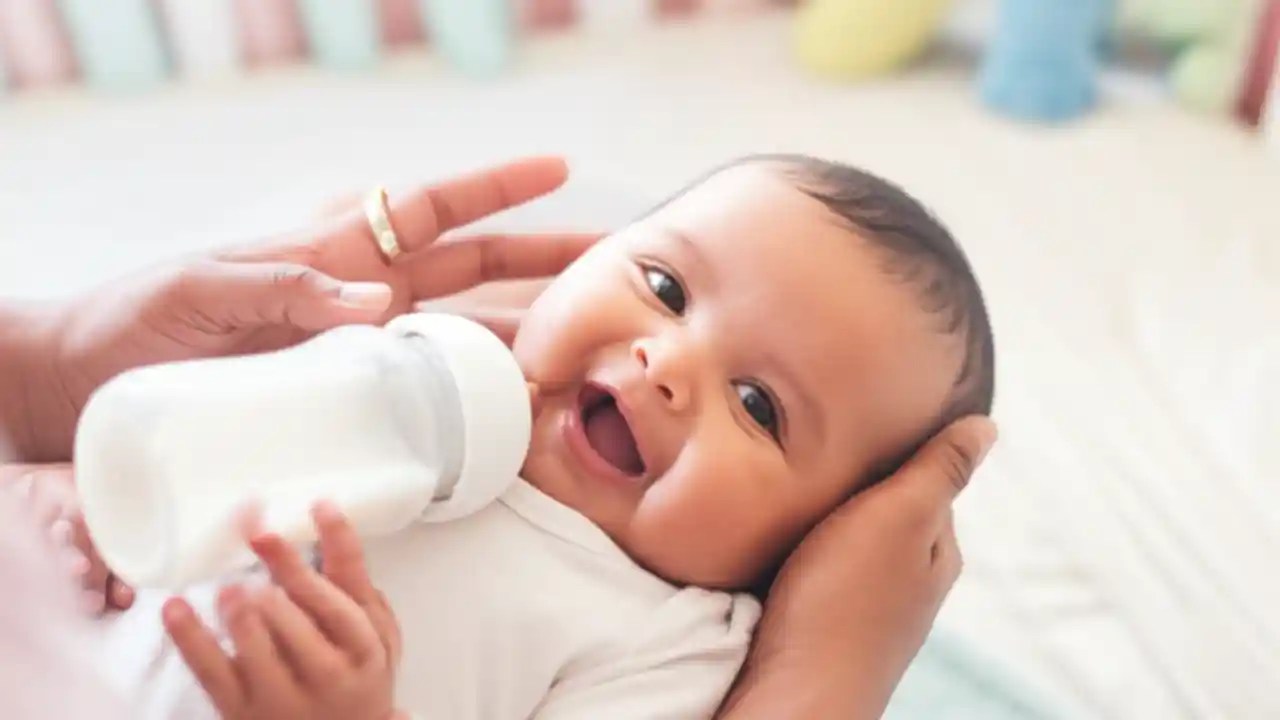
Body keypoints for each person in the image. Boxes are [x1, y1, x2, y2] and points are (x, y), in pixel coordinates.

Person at [0, 156, 996, 719]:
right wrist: (79, 505)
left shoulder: (668, 639)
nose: (667, 364)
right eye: (662, 288)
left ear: (815, 542)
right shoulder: (422, 364)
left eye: (759, 407)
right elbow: (187, 441)